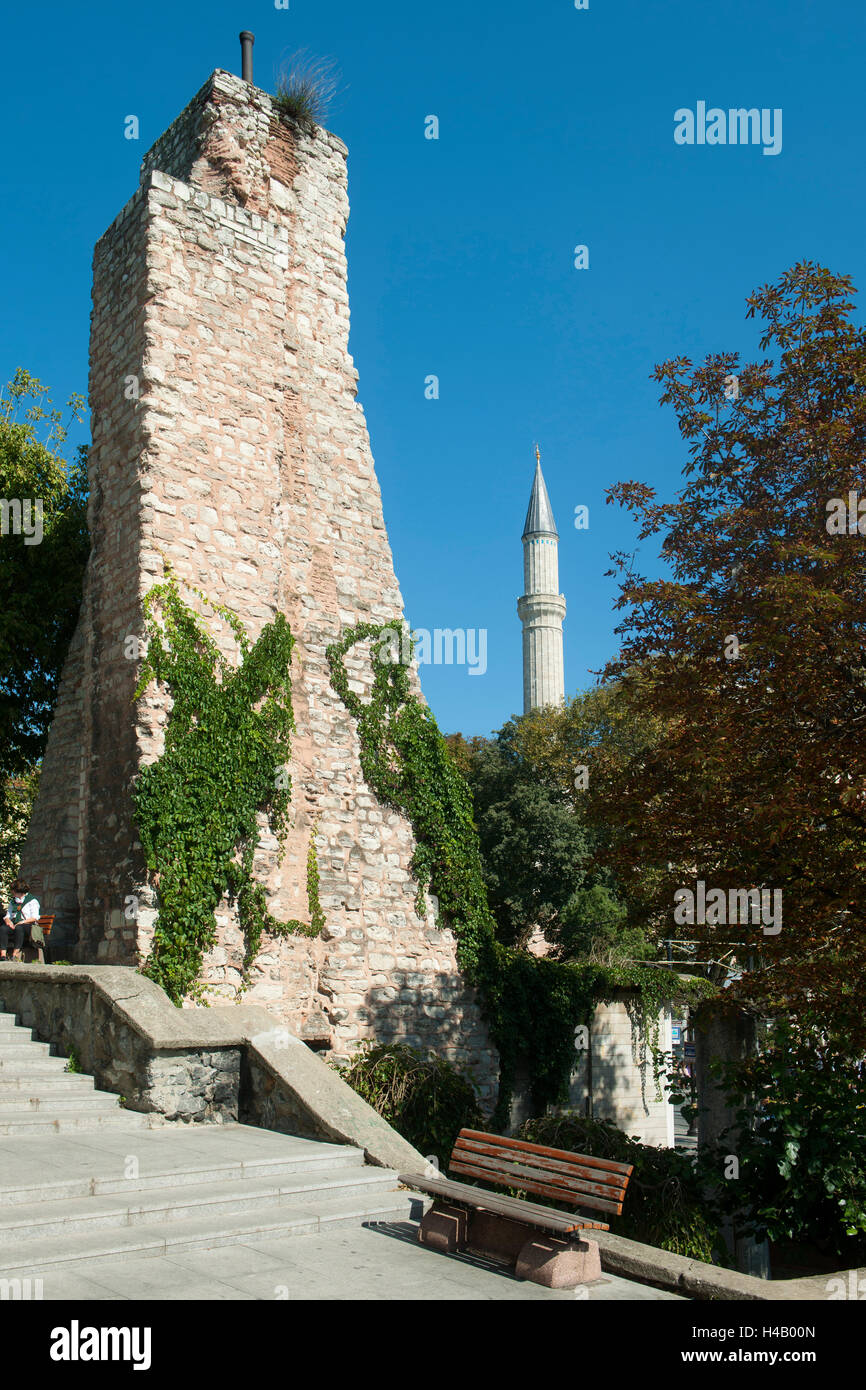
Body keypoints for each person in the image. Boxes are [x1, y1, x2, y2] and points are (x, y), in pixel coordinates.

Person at [2, 879, 40, 960]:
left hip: (28, 926)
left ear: (20, 891)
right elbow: (8, 915)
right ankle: (3, 955)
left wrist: (22, 922)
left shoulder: (32, 901)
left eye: (14, 891)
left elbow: (35, 917)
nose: (13, 893)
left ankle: (15, 955)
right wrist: (8, 921)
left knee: (19, 928)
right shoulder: (13, 902)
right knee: (3, 929)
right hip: (15, 924)